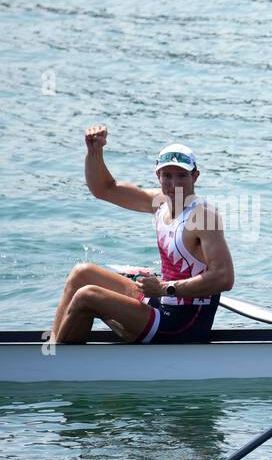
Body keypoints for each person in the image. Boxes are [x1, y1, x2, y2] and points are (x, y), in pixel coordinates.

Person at [51, 126, 234, 344]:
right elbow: (104, 189)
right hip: (162, 303)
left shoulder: (203, 217)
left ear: (195, 176)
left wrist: (166, 287)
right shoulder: (159, 202)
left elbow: (224, 277)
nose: (173, 184)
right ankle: (52, 346)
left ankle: (55, 366)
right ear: (158, 175)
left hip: (183, 323)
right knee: (82, 273)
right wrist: (94, 151)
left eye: (181, 176)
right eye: (167, 175)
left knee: (87, 296)